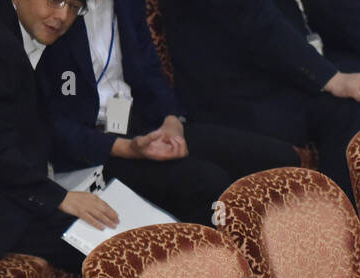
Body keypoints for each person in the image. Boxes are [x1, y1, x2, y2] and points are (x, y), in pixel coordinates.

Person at [34, 0, 301, 224]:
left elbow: (149, 66)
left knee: (279, 159)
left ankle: (283, 270)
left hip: (141, 124)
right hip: (92, 150)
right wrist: (128, 148)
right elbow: (55, 126)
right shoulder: (54, 13)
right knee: (207, 182)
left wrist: (172, 121)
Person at [161, 0, 360, 198]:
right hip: (242, 89)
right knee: (346, 109)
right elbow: (255, 22)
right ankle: (348, 235)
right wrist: (333, 80)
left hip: (297, 66)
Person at [0, 0, 115, 276]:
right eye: (55, 1)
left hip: (29, 185)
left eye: (74, 7)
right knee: (110, 254)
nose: (63, 16)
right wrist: (56, 197)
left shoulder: (39, 32)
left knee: (121, 240)